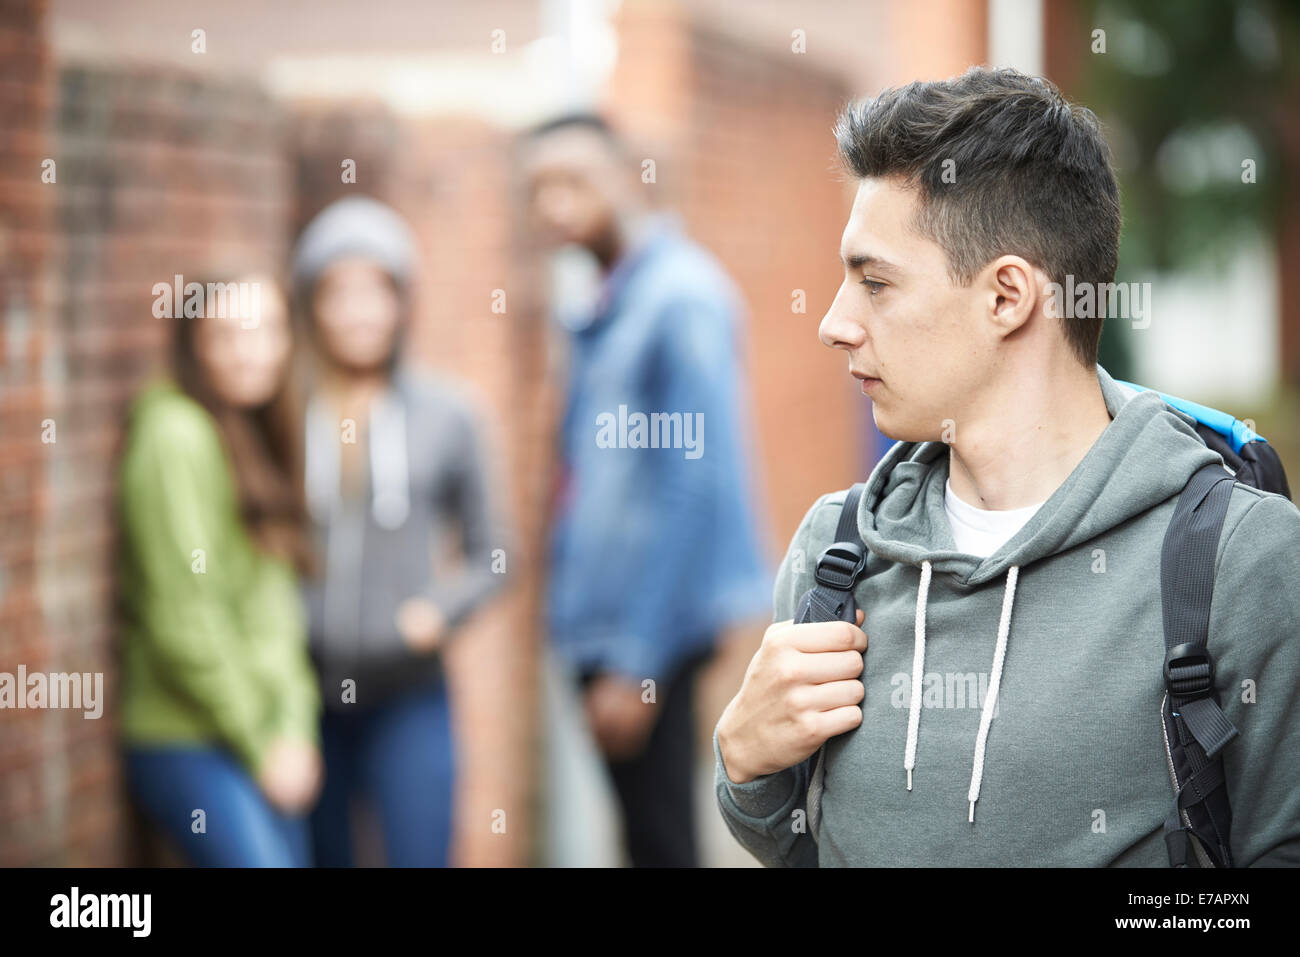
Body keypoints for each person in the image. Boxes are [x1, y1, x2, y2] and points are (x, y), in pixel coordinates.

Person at [714, 67, 1300, 867]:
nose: (833, 323)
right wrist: (747, 769)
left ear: (1007, 297)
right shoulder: (836, 553)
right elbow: (796, 846)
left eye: (874, 282)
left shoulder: (1242, 561)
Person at [520, 113, 771, 867]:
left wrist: (636, 659)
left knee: (661, 840)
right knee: (641, 836)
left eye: (574, 182)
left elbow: (694, 486)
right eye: (539, 190)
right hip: (603, 621)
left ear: (627, 177)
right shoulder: (607, 297)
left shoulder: (678, 298)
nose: (555, 205)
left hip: (645, 631)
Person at [291, 196, 509, 868]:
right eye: (338, 292)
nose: (358, 311)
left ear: (400, 302)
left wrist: (435, 611)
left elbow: (497, 553)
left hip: (410, 694)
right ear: (313, 305)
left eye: (375, 291)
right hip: (301, 697)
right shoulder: (287, 412)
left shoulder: (449, 413)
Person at [118, 270, 321, 867]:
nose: (248, 350)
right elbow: (184, 618)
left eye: (265, 331)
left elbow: (277, 613)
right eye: (227, 333)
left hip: (263, 737)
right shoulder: (175, 435)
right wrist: (264, 744)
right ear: (194, 343)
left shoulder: (253, 430)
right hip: (187, 733)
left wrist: (295, 730)